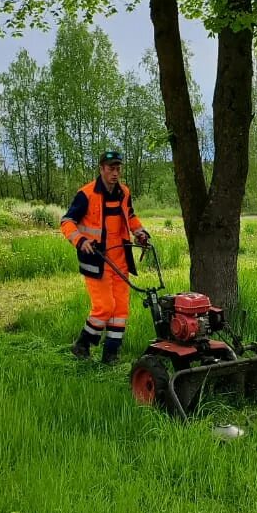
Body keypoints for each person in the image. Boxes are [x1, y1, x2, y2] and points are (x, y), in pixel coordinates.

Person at [60, 149, 150, 363]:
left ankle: (111, 353)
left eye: (118, 169)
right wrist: (80, 241)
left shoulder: (124, 192)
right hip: (97, 261)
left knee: (120, 309)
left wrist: (140, 232)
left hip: (120, 260)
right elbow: (67, 222)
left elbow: (130, 216)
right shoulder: (87, 194)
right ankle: (82, 345)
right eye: (111, 169)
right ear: (101, 169)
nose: (115, 173)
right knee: (105, 307)